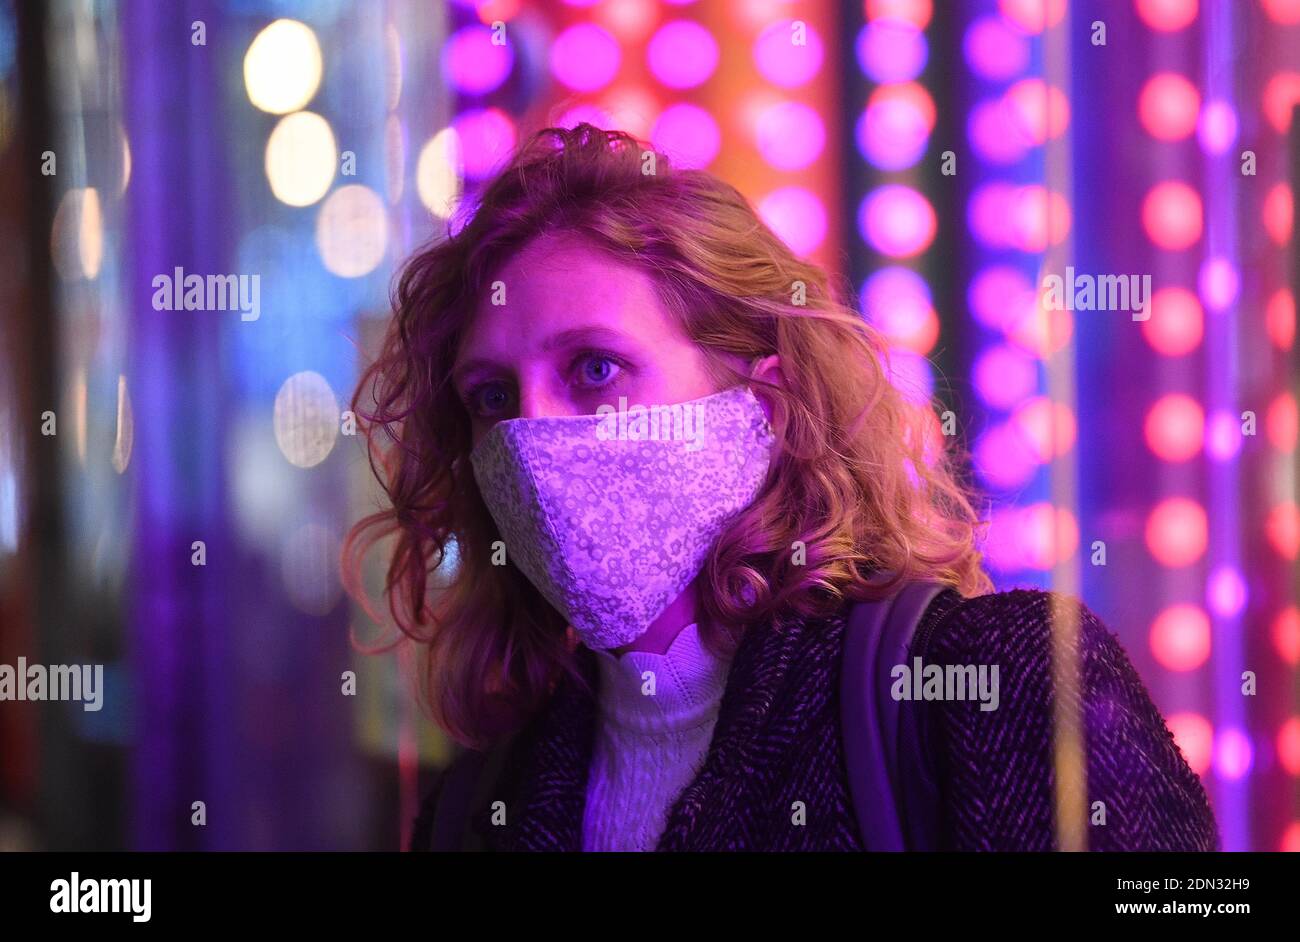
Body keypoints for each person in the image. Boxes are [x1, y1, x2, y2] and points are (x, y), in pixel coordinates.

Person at [342, 123, 1219, 852]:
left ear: (760, 398)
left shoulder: (993, 684)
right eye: (493, 398)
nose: (531, 437)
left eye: (595, 367)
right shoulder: (477, 800)